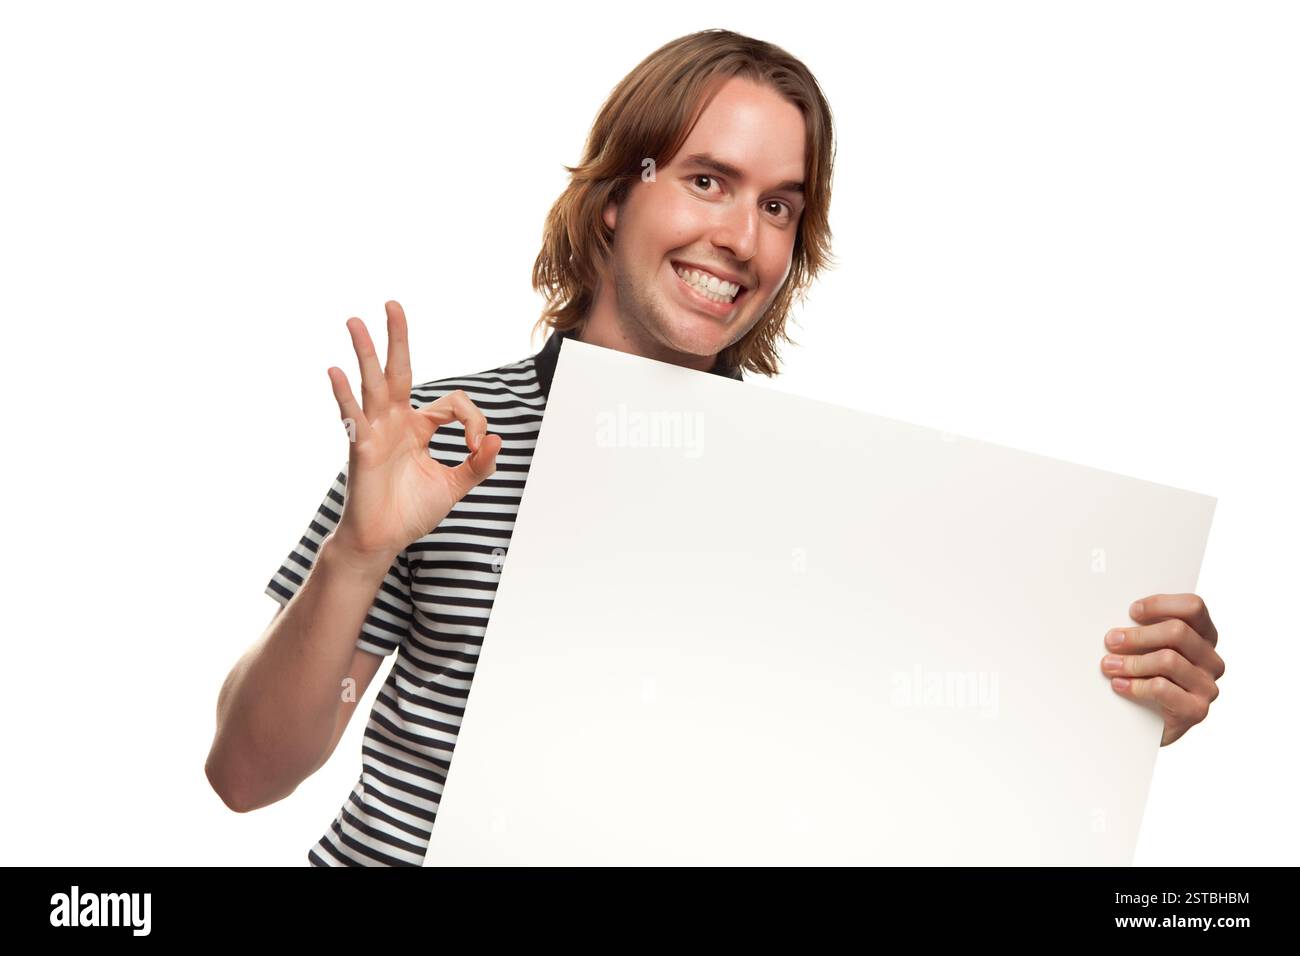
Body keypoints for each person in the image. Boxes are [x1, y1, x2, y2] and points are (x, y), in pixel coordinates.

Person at [205, 28, 1224, 867]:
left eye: (778, 204)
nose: (742, 236)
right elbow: (247, 776)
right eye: (707, 180)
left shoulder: (825, 494)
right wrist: (356, 552)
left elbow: (898, 782)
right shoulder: (441, 436)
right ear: (615, 196)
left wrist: (1117, 725)